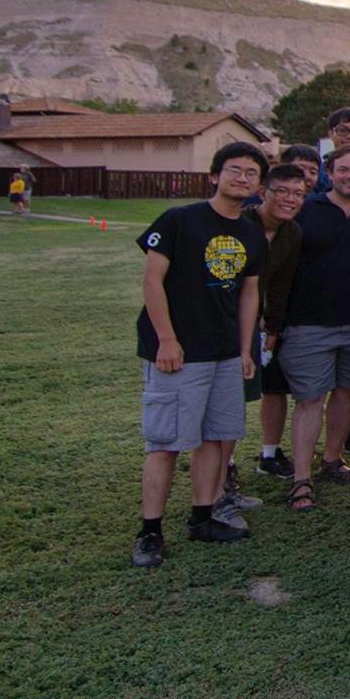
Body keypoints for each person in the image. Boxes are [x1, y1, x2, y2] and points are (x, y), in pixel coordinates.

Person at [131, 142, 267, 566]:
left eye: (251, 173)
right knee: (167, 442)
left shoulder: (250, 231)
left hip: (225, 352)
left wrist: (245, 350)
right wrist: (167, 339)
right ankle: (150, 531)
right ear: (214, 175)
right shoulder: (179, 220)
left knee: (214, 438)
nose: (242, 178)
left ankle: (202, 517)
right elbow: (153, 281)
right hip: (180, 352)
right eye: (234, 170)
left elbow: (249, 293)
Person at [277, 144, 350, 512]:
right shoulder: (306, 210)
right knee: (309, 400)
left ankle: (333, 460)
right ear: (330, 172)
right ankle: (301, 478)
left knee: (347, 393)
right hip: (310, 323)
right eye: (344, 170)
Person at [249, 163, 308, 482]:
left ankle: (269, 455)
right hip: (228, 324)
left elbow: (281, 285)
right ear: (263, 192)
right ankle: (224, 467)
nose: (290, 199)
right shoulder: (243, 224)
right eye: (282, 191)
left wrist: (273, 328)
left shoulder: (292, 232)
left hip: (265, 326)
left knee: (274, 387)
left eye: (298, 193)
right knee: (229, 396)